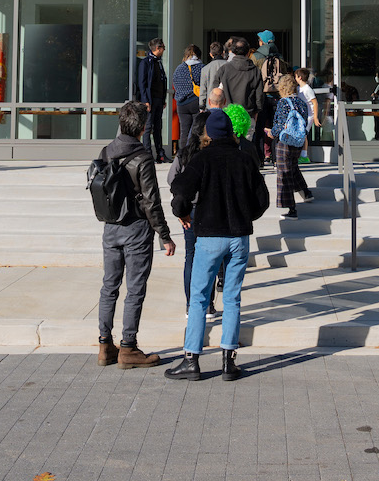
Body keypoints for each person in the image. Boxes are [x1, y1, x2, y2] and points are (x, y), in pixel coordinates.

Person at [167, 107, 269, 381]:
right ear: (232, 132)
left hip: (209, 235)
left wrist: (183, 213)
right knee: (232, 298)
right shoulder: (244, 160)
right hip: (238, 236)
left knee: (200, 298)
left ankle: (191, 359)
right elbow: (262, 201)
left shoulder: (202, 159)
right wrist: (245, 215)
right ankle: (229, 361)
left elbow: (179, 191)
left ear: (209, 132)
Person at [96, 100, 176, 369]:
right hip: (137, 229)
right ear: (142, 128)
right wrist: (165, 235)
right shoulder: (142, 157)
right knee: (135, 289)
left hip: (110, 227)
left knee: (109, 286)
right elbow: (151, 202)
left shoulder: (106, 151)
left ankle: (105, 345)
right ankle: (128, 348)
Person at [169, 85, 226, 312]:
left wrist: (181, 205)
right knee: (211, 259)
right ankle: (207, 304)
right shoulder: (213, 154)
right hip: (209, 211)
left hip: (190, 213)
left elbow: (172, 179)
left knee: (191, 257)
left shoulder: (184, 153)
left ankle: (192, 304)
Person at [266, 73, 312, 218]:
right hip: (297, 141)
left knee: (284, 173)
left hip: (285, 141)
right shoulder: (302, 103)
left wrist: (271, 133)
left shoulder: (284, 103)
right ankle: (306, 192)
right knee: (292, 167)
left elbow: (279, 125)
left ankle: (292, 209)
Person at [216, 37, 261, 158]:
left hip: (228, 113)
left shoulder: (224, 69)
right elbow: (259, 95)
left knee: (229, 148)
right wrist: (257, 112)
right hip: (248, 113)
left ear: (233, 52)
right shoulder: (255, 71)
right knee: (247, 147)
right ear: (248, 53)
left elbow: (216, 91)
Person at [252, 30, 289, 166]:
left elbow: (253, 77)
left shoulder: (256, 57)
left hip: (261, 96)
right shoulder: (280, 56)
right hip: (277, 97)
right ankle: (276, 159)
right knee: (276, 127)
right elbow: (284, 76)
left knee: (260, 128)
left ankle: (260, 159)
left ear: (262, 41)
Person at [135, 37, 169, 163]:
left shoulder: (158, 62)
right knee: (148, 127)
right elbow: (142, 83)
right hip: (150, 100)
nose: (164, 50)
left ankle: (160, 154)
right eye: (163, 47)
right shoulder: (146, 62)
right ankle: (148, 154)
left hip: (159, 99)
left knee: (158, 127)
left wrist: (163, 98)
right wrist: (145, 101)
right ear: (157, 48)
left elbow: (162, 80)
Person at [171, 44, 202, 155]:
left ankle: (183, 154)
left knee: (184, 131)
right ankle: (194, 153)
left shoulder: (179, 69)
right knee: (196, 131)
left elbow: (175, 83)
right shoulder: (201, 67)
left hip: (181, 104)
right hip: (195, 101)